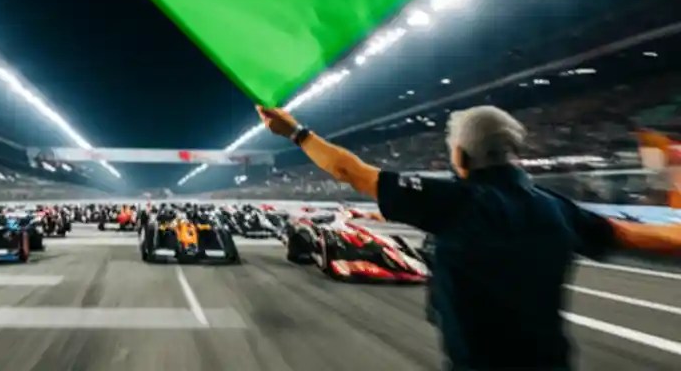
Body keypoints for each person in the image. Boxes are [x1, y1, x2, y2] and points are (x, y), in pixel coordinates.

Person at [256, 104, 681, 371]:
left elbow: (351, 171)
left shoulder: (451, 202)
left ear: (460, 156)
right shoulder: (558, 208)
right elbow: (640, 236)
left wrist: (296, 132)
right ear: (515, 152)